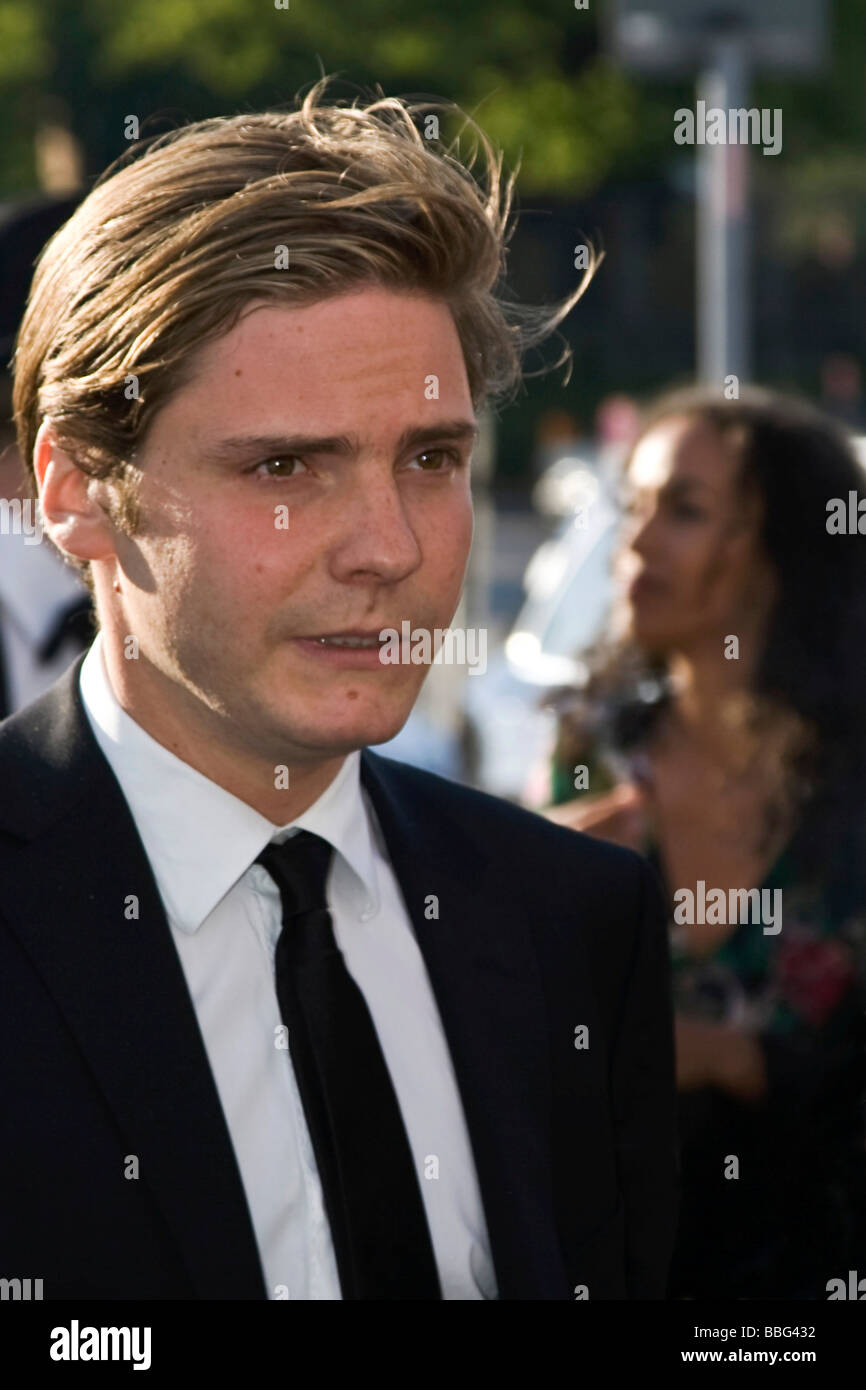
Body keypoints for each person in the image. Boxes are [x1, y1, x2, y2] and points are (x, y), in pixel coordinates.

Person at [0, 78, 678, 1301]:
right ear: (76, 492)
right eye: (285, 466)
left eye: (430, 459)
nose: (389, 547)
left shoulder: (570, 919)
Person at [547, 385, 866, 1298]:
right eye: (634, 508)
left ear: (783, 550)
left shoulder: (852, 794)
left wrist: (730, 1057)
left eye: (683, 511)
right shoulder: (593, 752)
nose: (636, 545)